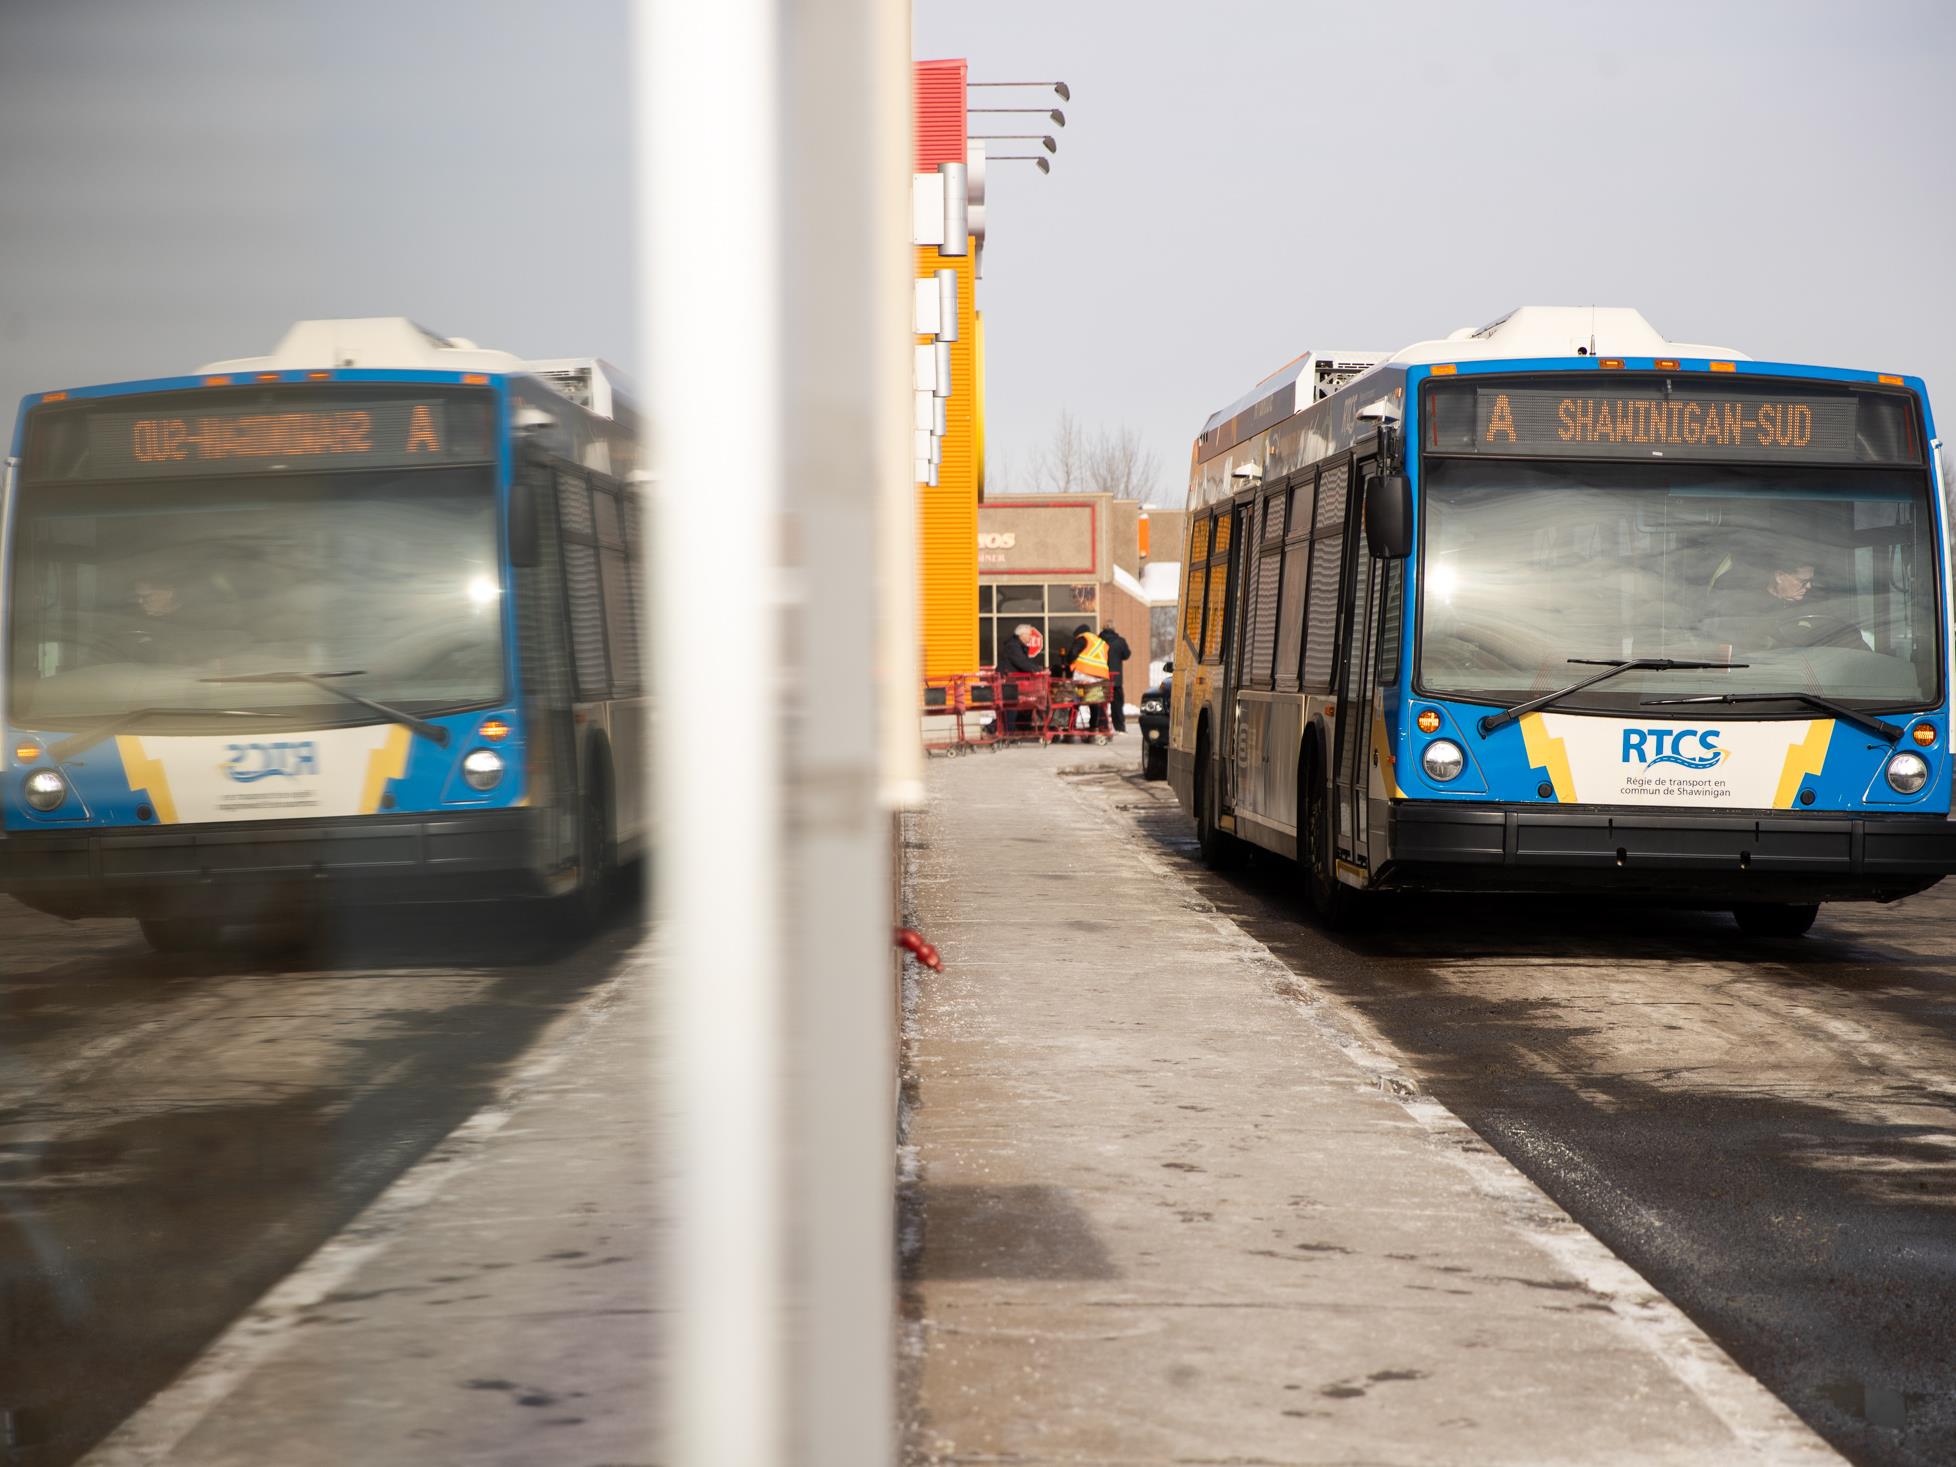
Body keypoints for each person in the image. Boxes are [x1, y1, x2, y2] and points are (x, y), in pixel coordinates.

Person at [997, 623, 1044, 733]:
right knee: (1011, 706)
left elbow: (1025, 662)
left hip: (1013, 682)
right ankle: (1007, 732)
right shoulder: (1013, 646)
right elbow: (1021, 662)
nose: (1030, 638)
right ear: (1021, 635)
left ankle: (1012, 730)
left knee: (1016, 706)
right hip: (1008, 682)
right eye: (1028, 635)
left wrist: (1036, 668)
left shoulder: (1018, 646)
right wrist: (1037, 670)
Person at [1068, 624, 1112, 737]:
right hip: (1098, 678)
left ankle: (1070, 726)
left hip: (1083, 675)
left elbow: (1073, 653)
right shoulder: (1100, 642)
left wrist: (1069, 663)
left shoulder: (1082, 638)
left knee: (1076, 701)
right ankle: (1094, 727)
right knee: (1094, 702)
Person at [1097, 623, 1133, 733]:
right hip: (1116, 679)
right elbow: (1126, 655)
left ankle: (1101, 726)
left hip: (1100, 678)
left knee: (1100, 704)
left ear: (1103, 629)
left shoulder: (1098, 641)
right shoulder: (1120, 641)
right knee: (1117, 704)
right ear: (1113, 629)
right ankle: (1119, 727)